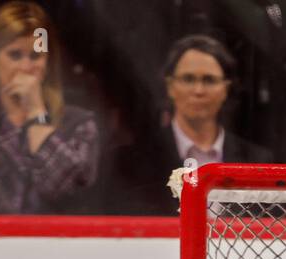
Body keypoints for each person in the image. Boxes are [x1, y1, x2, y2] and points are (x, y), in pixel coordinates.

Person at [111, 35, 273, 215]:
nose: (198, 90)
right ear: (170, 86)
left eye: (209, 80)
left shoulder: (258, 163)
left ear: (226, 89)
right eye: (188, 79)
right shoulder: (132, 162)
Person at [0, 2, 99, 214]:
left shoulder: (79, 124)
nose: (26, 67)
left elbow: (63, 189)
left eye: (35, 56)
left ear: (48, 62)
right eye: (15, 55)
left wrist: (36, 113)